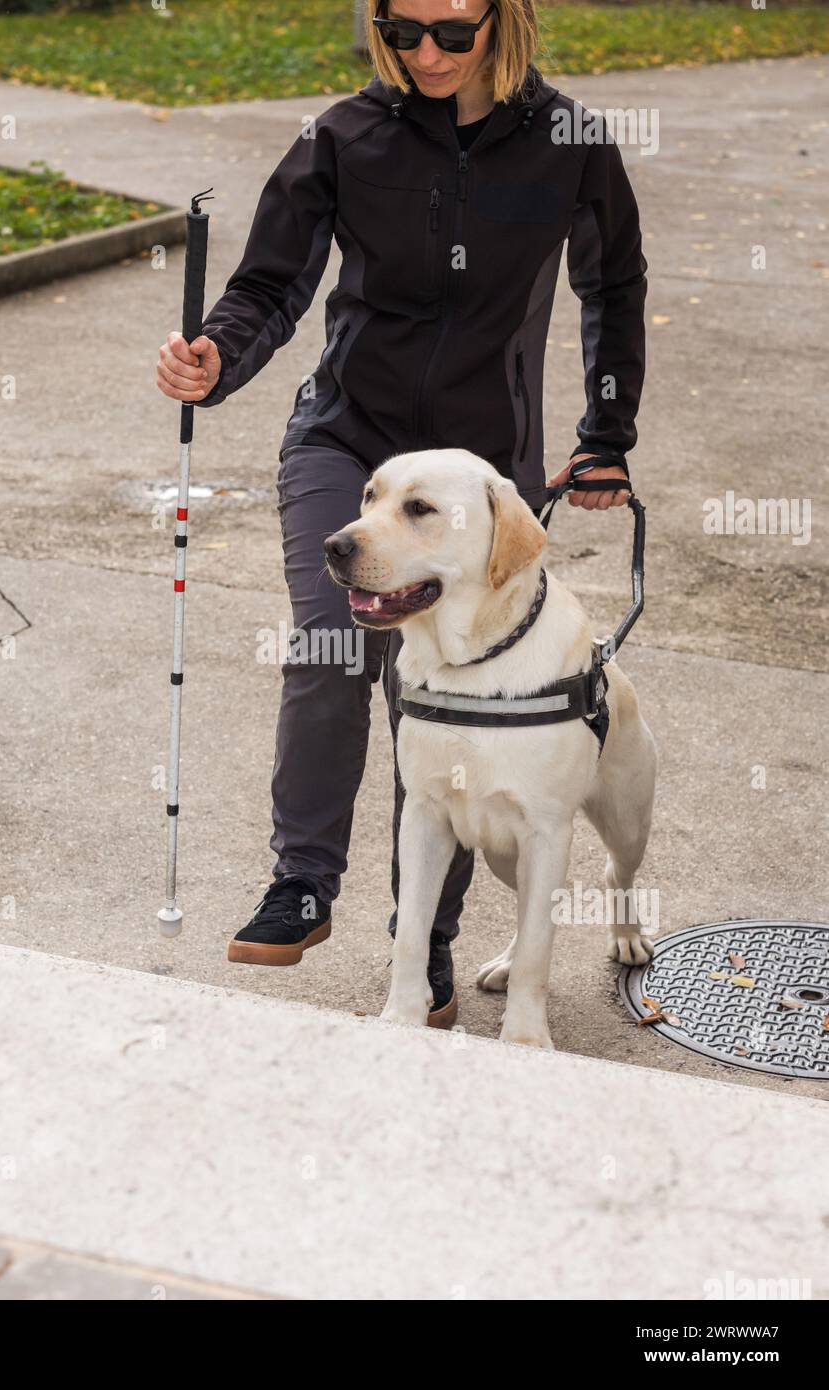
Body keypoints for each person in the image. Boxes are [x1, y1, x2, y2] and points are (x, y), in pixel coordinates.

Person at [154, 0, 646, 1027]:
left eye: (452, 33)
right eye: (402, 28)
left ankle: (423, 943)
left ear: (499, 23)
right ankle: (302, 881)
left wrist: (605, 432)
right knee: (338, 640)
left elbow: (613, 285)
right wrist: (215, 356)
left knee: (447, 690)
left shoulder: (570, 143)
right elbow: (268, 285)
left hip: (482, 468)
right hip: (348, 438)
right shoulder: (342, 136)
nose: (425, 53)